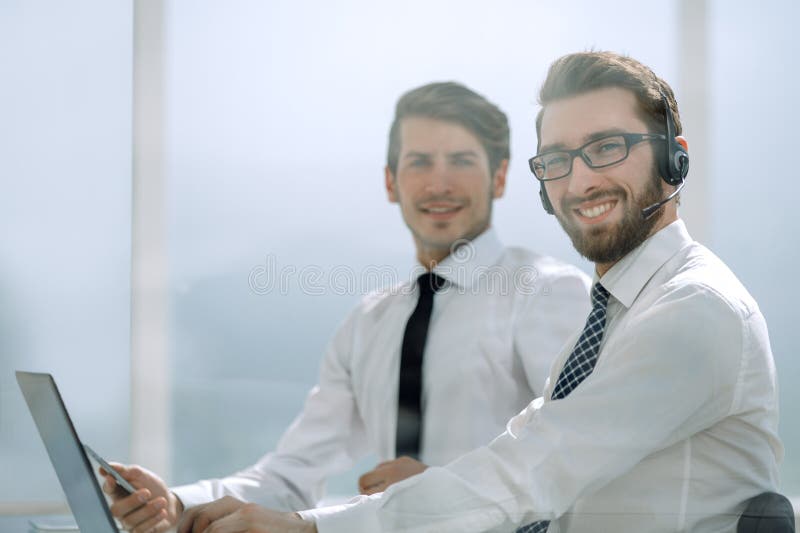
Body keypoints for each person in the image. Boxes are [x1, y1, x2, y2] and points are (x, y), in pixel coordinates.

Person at [175, 51, 783, 533]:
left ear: (674, 160)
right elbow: (527, 452)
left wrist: (312, 528)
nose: (580, 181)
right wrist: (181, 503)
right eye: (558, 160)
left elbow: (531, 472)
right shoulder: (616, 312)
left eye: (607, 148)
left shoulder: (690, 310)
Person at [101, 81, 591, 533]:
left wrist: (436, 492)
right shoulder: (371, 322)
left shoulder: (549, 292)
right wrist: (176, 503)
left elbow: (574, 466)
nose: (439, 183)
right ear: (391, 182)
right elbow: (292, 473)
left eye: (461, 161)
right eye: (419, 162)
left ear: (499, 178)